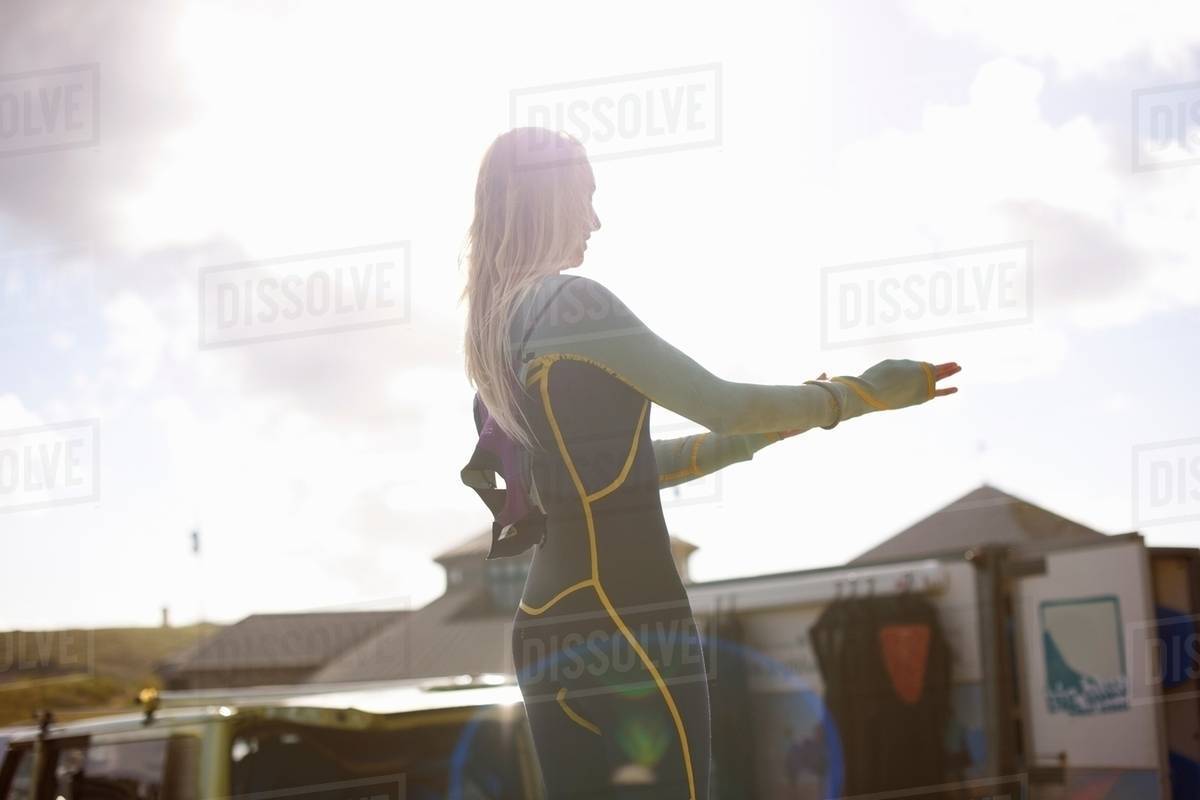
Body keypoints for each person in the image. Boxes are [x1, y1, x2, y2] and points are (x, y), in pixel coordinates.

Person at [460, 127, 961, 799]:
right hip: (631, 624)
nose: (596, 220)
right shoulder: (573, 302)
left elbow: (613, 472)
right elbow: (720, 403)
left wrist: (756, 439)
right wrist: (861, 394)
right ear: (546, 198)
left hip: (546, 630)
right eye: (585, 196)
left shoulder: (492, 343)